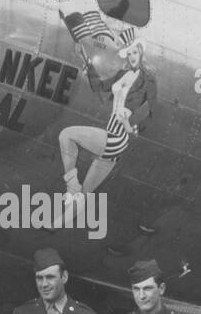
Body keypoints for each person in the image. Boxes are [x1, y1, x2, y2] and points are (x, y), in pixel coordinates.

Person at [58, 30, 155, 197]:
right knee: (81, 200)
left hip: (115, 138)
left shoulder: (147, 80)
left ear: (141, 52)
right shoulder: (123, 74)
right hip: (113, 142)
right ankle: (73, 195)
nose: (132, 56)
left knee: (66, 135)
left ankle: (72, 186)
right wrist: (85, 59)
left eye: (135, 52)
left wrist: (132, 127)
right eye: (129, 53)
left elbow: (153, 111)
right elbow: (100, 87)